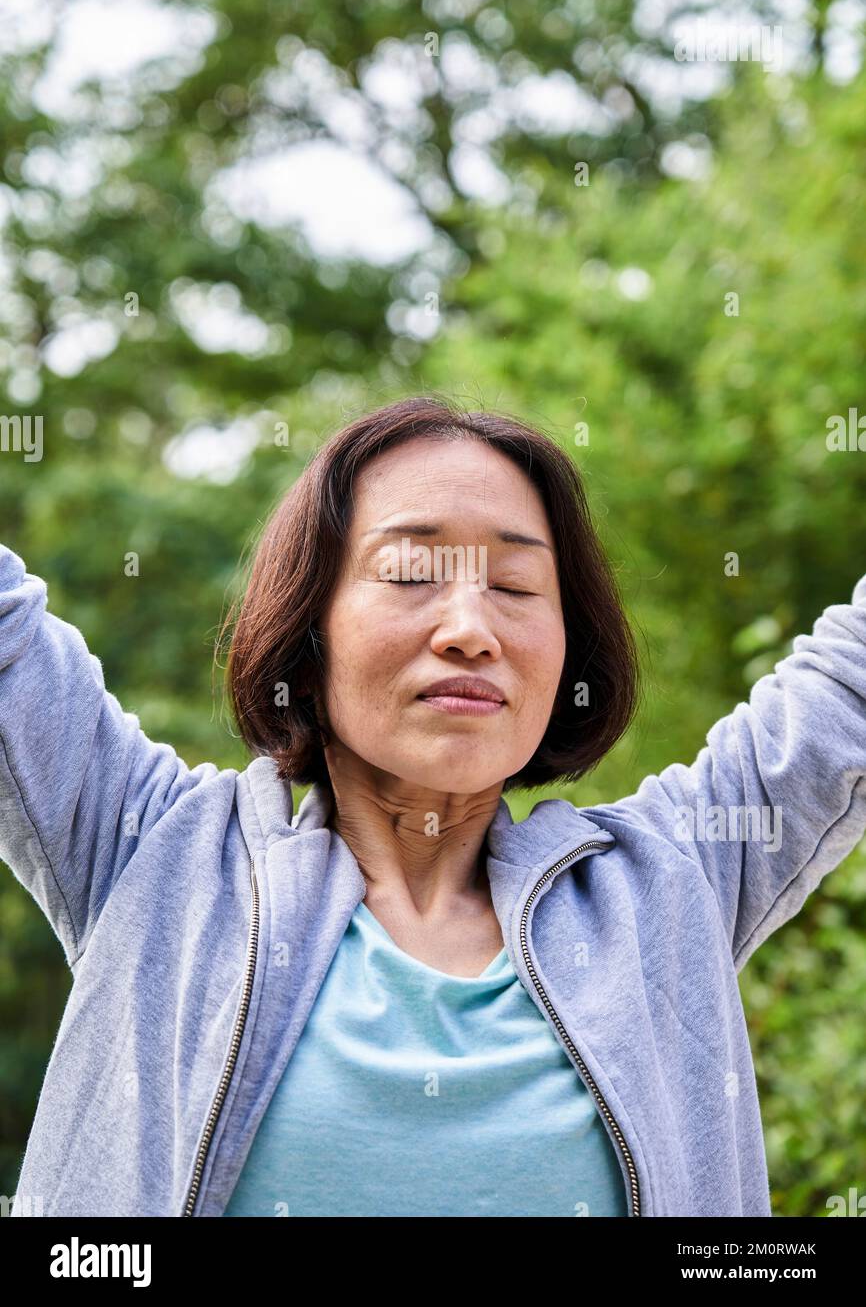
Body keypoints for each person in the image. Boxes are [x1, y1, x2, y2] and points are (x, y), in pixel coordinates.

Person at [2, 394, 864, 1217]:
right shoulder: (153, 855)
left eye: (518, 587)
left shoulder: (672, 885)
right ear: (309, 632)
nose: (469, 629)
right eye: (412, 572)